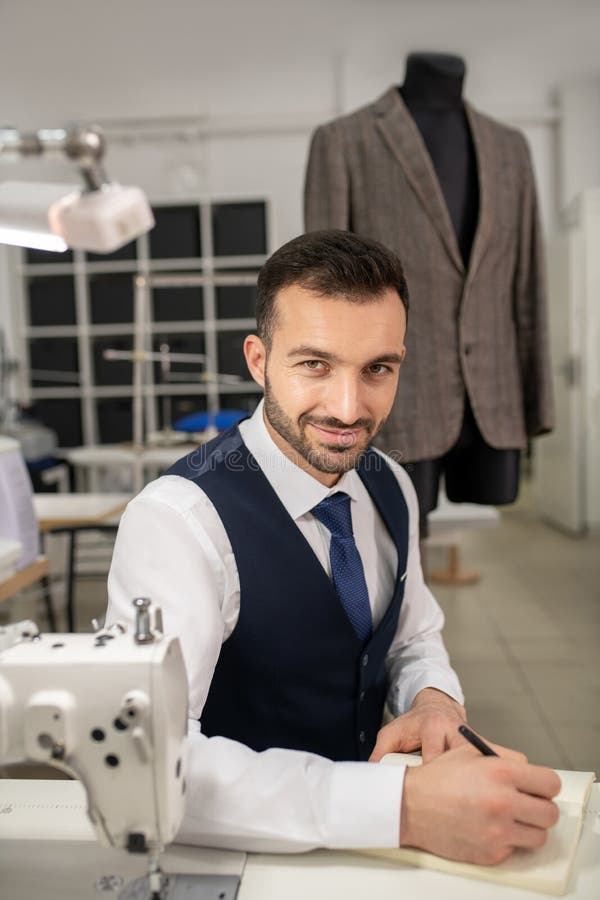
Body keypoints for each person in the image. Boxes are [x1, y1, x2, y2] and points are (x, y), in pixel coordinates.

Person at [107, 230, 560, 862]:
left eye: (377, 369)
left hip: (369, 852)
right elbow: (147, 759)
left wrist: (432, 698)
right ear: (259, 360)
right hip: (242, 860)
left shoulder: (391, 483)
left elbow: (411, 636)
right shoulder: (178, 520)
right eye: (315, 365)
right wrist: (402, 808)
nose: (349, 410)